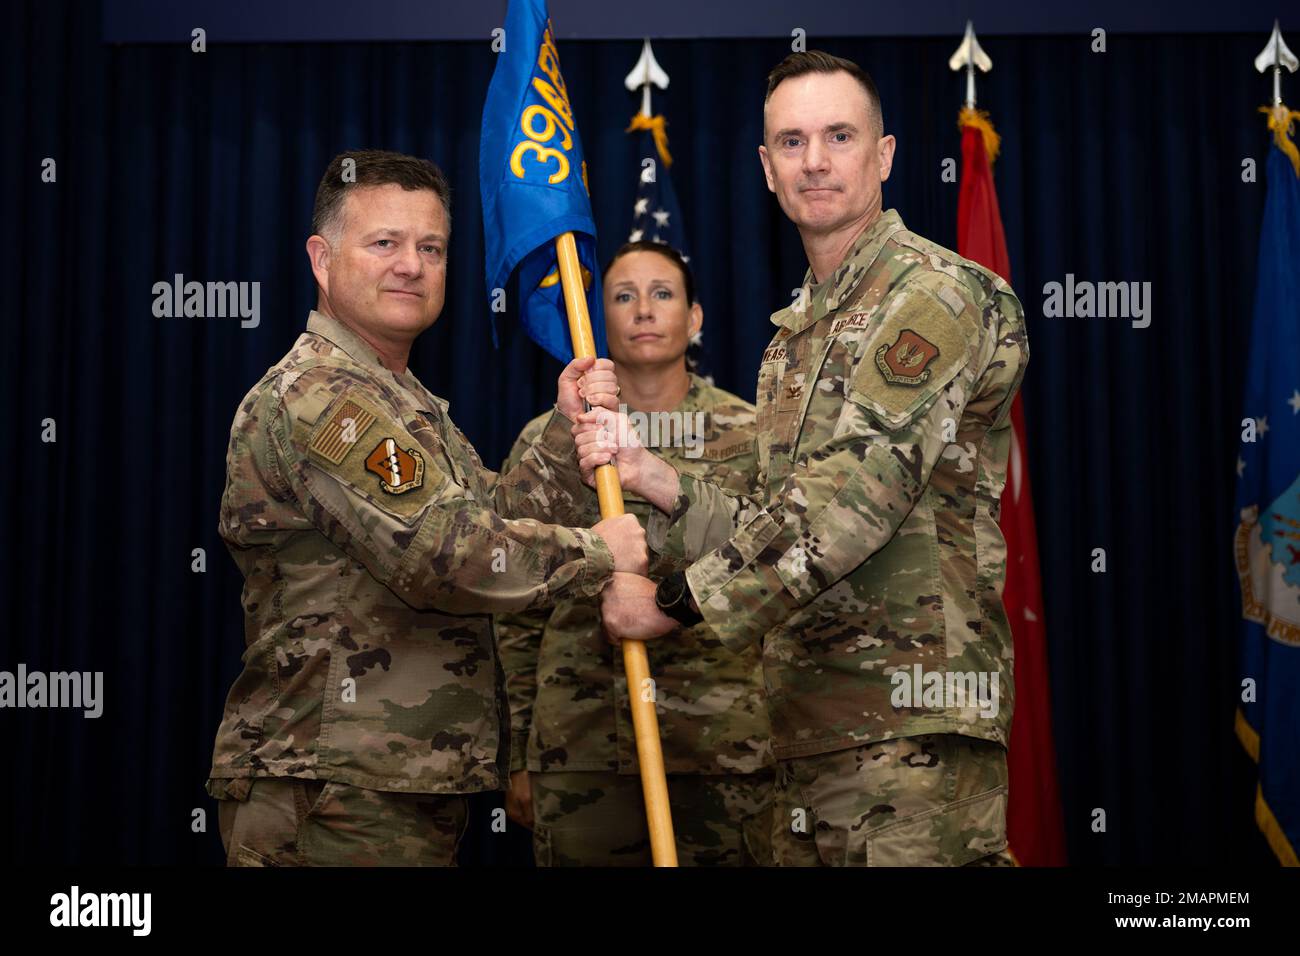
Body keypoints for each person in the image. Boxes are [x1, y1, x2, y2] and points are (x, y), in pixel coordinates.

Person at [575, 51, 1030, 866]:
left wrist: (677, 604)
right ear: (765, 167)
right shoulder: (795, 339)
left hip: (908, 729)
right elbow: (769, 519)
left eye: (838, 136)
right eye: (791, 142)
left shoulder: (934, 293)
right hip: (802, 729)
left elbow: (855, 496)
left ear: (884, 155)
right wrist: (650, 474)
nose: (814, 161)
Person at [205, 149, 644, 867]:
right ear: (322, 259)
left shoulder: (402, 402)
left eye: (431, 247)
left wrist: (565, 437)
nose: (411, 264)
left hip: (386, 785)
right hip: (329, 790)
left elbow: (490, 518)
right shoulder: (321, 397)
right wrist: (603, 553)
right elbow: (449, 555)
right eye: (384, 243)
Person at [497, 241, 774, 866]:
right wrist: (517, 753)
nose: (643, 310)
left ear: (695, 318)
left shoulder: (753, 433)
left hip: (726, 742)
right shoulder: (552, 442)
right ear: (598, 319)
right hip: (581, 743)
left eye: (662, 294)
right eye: (623, 296)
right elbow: (511, 605)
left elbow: (782, 571)